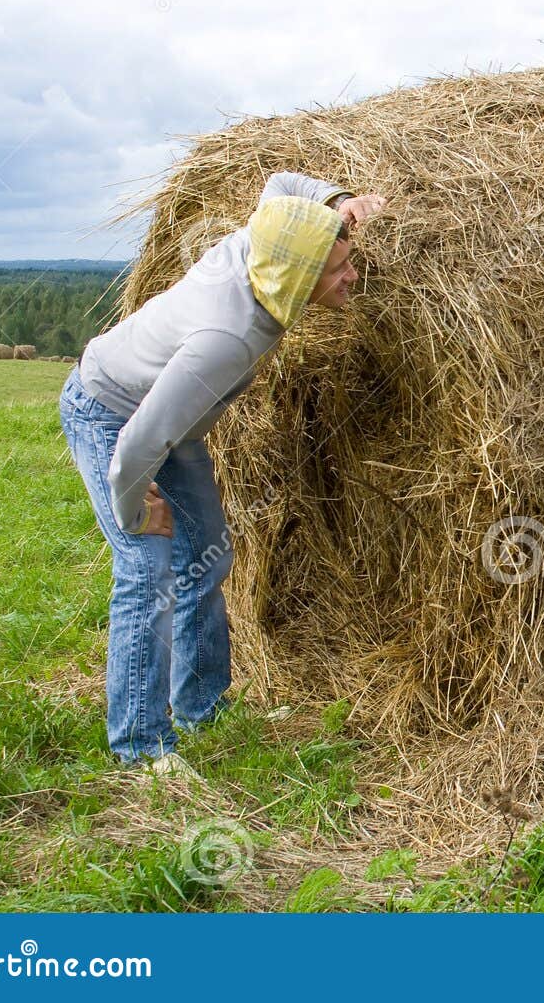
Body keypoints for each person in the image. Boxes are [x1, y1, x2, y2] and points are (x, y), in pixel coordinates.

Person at [59, 171, 385, 767]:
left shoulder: (265, 242)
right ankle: (141, 747)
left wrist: (337, 204)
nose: (352, 277)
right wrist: (137, 506)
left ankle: (200, 707)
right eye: (339, 269)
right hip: (110, 414)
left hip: (167, 423)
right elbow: (138, 442)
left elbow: (280, 182)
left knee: (208, 552)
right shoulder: (226, 336)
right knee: (147, 569)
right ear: (299, 275)